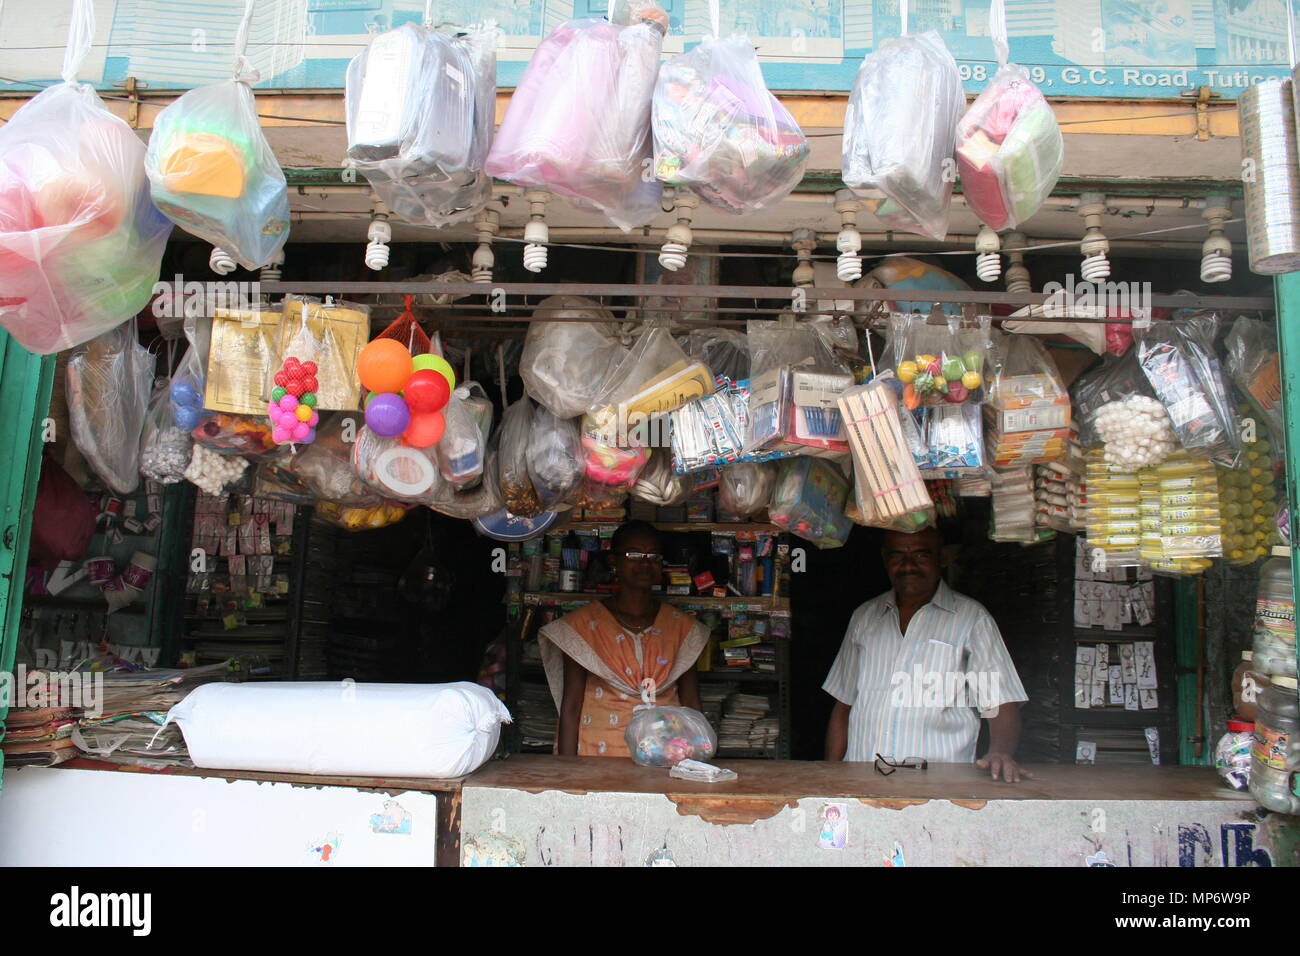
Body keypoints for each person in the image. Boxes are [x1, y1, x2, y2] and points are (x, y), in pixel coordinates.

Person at [822, 526, 1031, 782]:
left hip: (939, 783)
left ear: (941, 558)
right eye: (898, 556)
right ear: (885, 559)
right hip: (862, 777)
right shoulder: (865, 617)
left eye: (921, 555)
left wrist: (1000, 752)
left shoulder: (972, 618)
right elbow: (844, 704)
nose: (908, 566)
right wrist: (830, 775)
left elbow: (1000, 701)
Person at [539, 520, 709, 758]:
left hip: (666, 755)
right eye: (634, 554)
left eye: (653, 555)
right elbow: (571, 707)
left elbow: (691, 702)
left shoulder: (683, 628)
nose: (645, 563)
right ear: (614, 562)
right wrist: (568, 774)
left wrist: (698, 763)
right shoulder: (583, 627)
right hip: (598, 756)